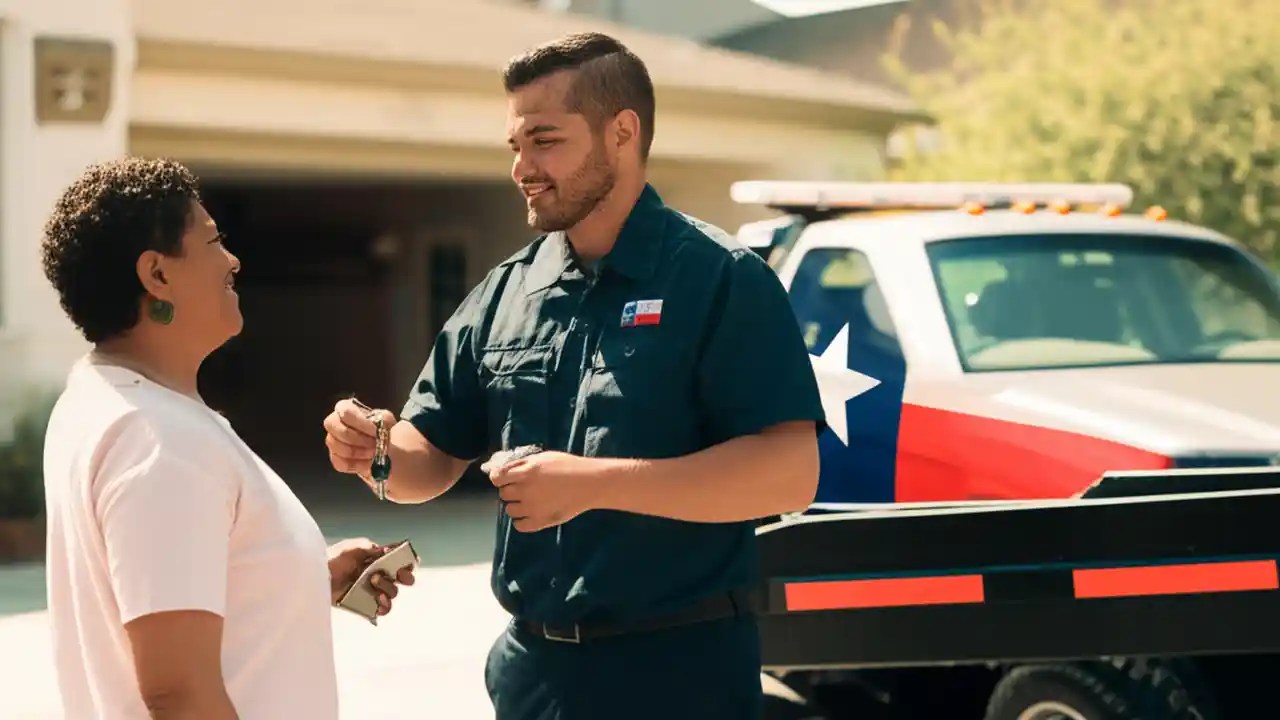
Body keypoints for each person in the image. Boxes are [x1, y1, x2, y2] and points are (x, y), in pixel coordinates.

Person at [323, 32, 824, 719]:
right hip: (534, 676)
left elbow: (789, 473)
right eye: (515, 147)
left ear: (622, 132)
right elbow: (426, 461)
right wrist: (375, 450)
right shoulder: (506, 292)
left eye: (545, 141)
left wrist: (590, 486)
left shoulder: (720, 280)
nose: (522, 167)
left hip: (681, 676)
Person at [39, 157, 415, 720]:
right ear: (157, 275)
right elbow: (178, 690)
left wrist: (292, 575)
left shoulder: (102, 400)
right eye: (213, 241)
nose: (233, 260)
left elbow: (158, 601)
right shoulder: (159, 440)